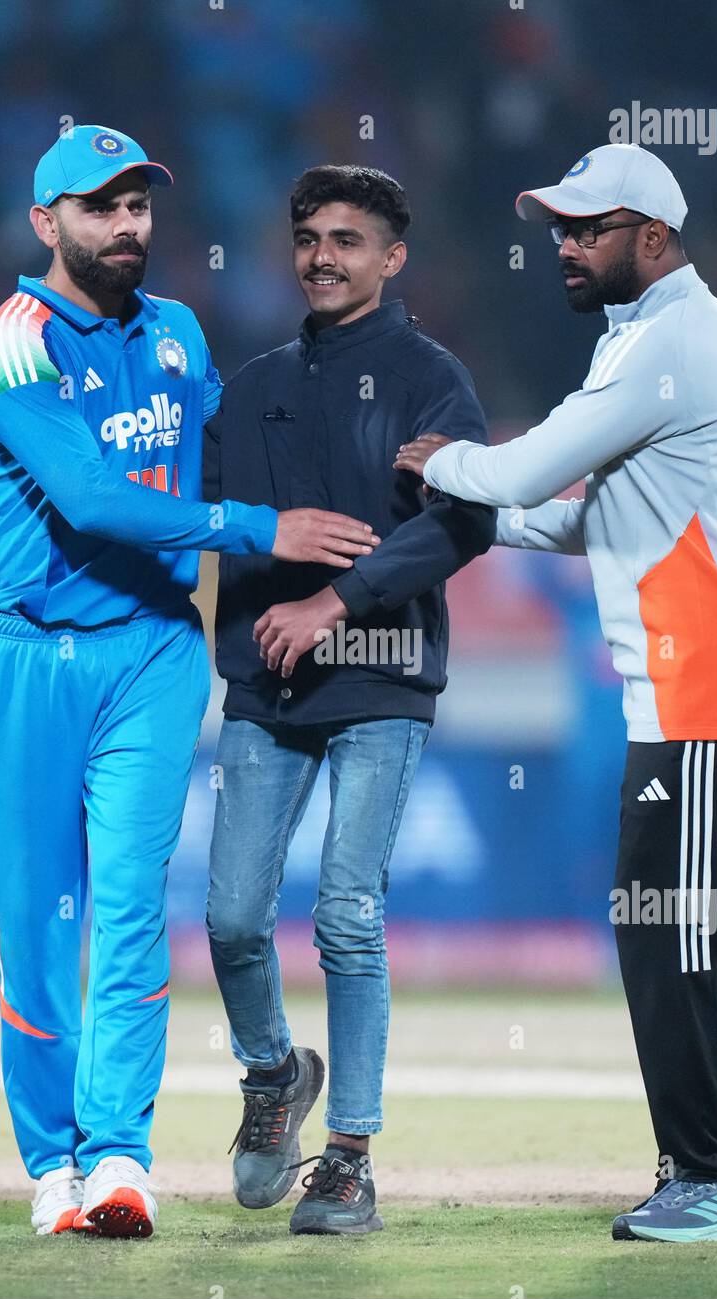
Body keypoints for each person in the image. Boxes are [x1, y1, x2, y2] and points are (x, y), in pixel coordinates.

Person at [0, 126, 378, 1240]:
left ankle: (118, 1157)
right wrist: (254, 528)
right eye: (101, 208)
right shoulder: (11, 347)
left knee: (133, 910)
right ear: (46, 223)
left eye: (139, 204)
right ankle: (51, 1165)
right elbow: (93, 498)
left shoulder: (182, 334)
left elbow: (240, 450)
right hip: (30, 659)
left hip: (153, 650)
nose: (127, 225)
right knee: (43, 925)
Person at [395, 143, 717, 1243]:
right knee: (683, 941)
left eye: (586, 227)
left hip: (703, 684)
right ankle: (708, 1170)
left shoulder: (672, 342)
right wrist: (488, 514)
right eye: (559, 227)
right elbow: (596, 514)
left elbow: (522, 469)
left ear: (653, 239)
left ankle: (716, 1178)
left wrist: (437, 466)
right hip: (690, 686)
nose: (562, 245)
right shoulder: (655, 341)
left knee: (669, 939)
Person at [202, 165, 495, 1235]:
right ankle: (276, 1071)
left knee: (344, 913)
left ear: (391, 256)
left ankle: (349, 1157)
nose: (322, 257)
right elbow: (206, 517)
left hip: (378, 670)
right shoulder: (250, 383)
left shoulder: (431, 378)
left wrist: (337, 597)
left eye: (346, 240)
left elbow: (467, 526)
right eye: (308, 239)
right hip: (266, 684)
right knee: (231, 917)